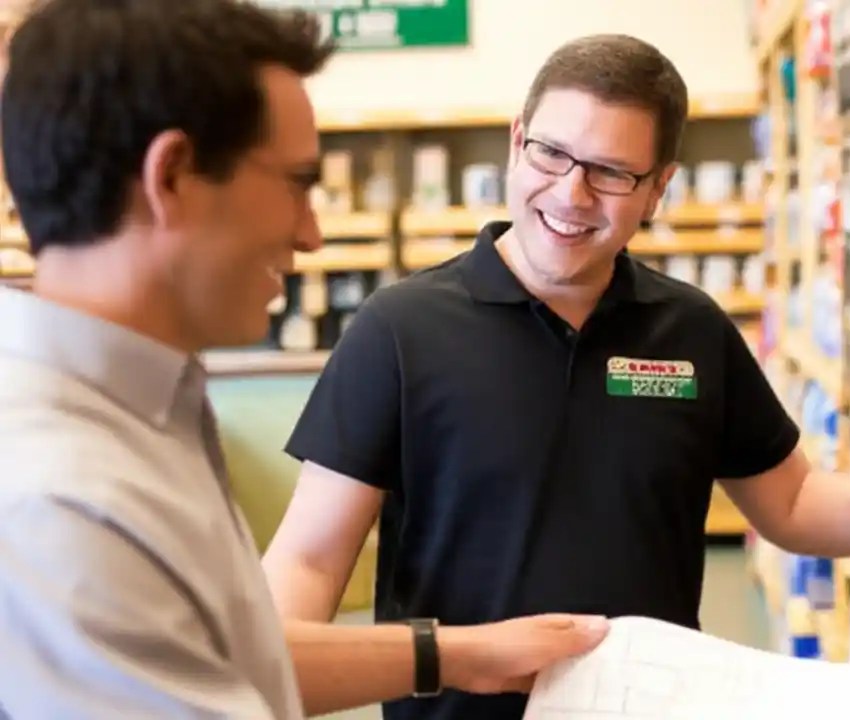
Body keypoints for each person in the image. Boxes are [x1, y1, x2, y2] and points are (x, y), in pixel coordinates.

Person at [264, 33, 850, 720]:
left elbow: (794, 502)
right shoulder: (398, 331)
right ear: (517, 142)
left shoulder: (691, 330)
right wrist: (250, 685)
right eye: (551, 154)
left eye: (610, 172)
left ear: (660, 188)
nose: (570, 193)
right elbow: (308, 558)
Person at [0, 1, 607, 718]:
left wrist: (459, 655)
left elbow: (229, 654)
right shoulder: (60, 500)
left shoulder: (138, 408)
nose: (314, 233)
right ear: (173, 177)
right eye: (297, 183)